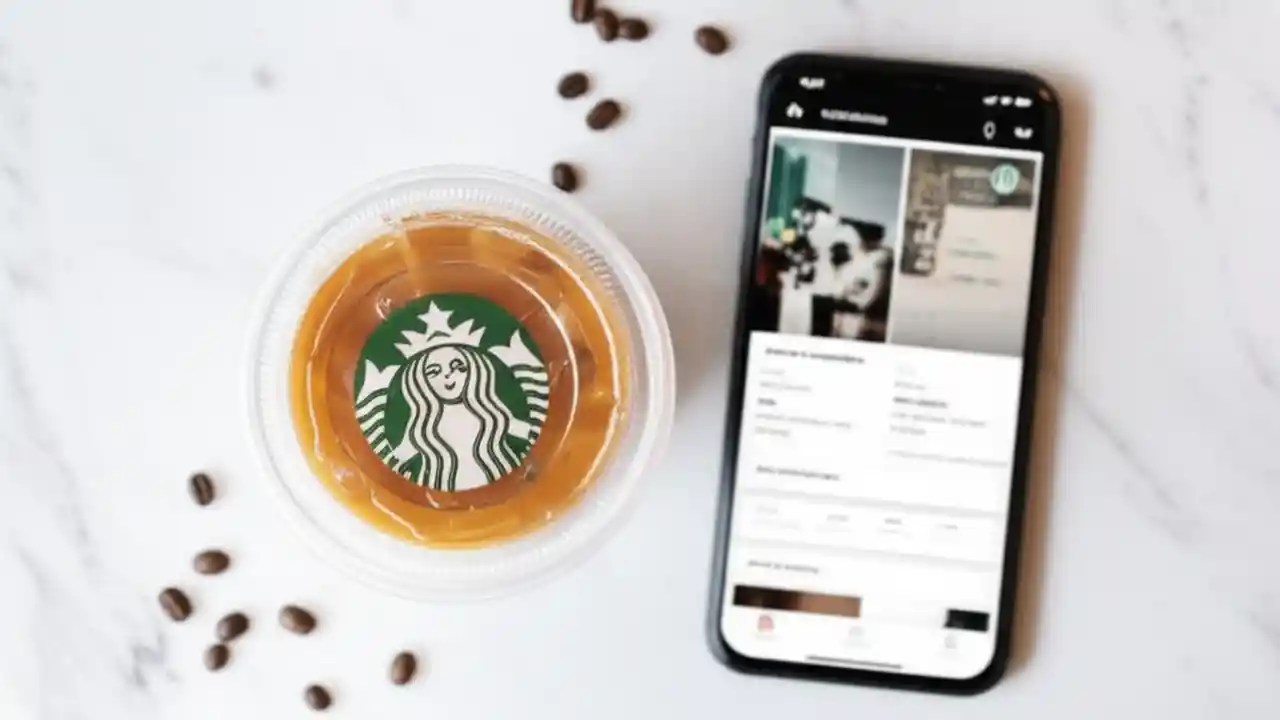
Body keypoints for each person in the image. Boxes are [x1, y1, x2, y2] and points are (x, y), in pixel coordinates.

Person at [383, 343, 536, 492]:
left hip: (505, 492)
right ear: (420, 382)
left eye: (458, 367)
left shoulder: (492, 415)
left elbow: (533, 433)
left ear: (474, 371)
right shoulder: (422, 428)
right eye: (434, 372)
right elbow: (394, 460)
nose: (448, 375)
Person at [829, 219, 893, 341]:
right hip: (854, 315)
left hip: (865, 319)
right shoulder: (865, 257)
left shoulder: (880, 259)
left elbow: (872, 293)